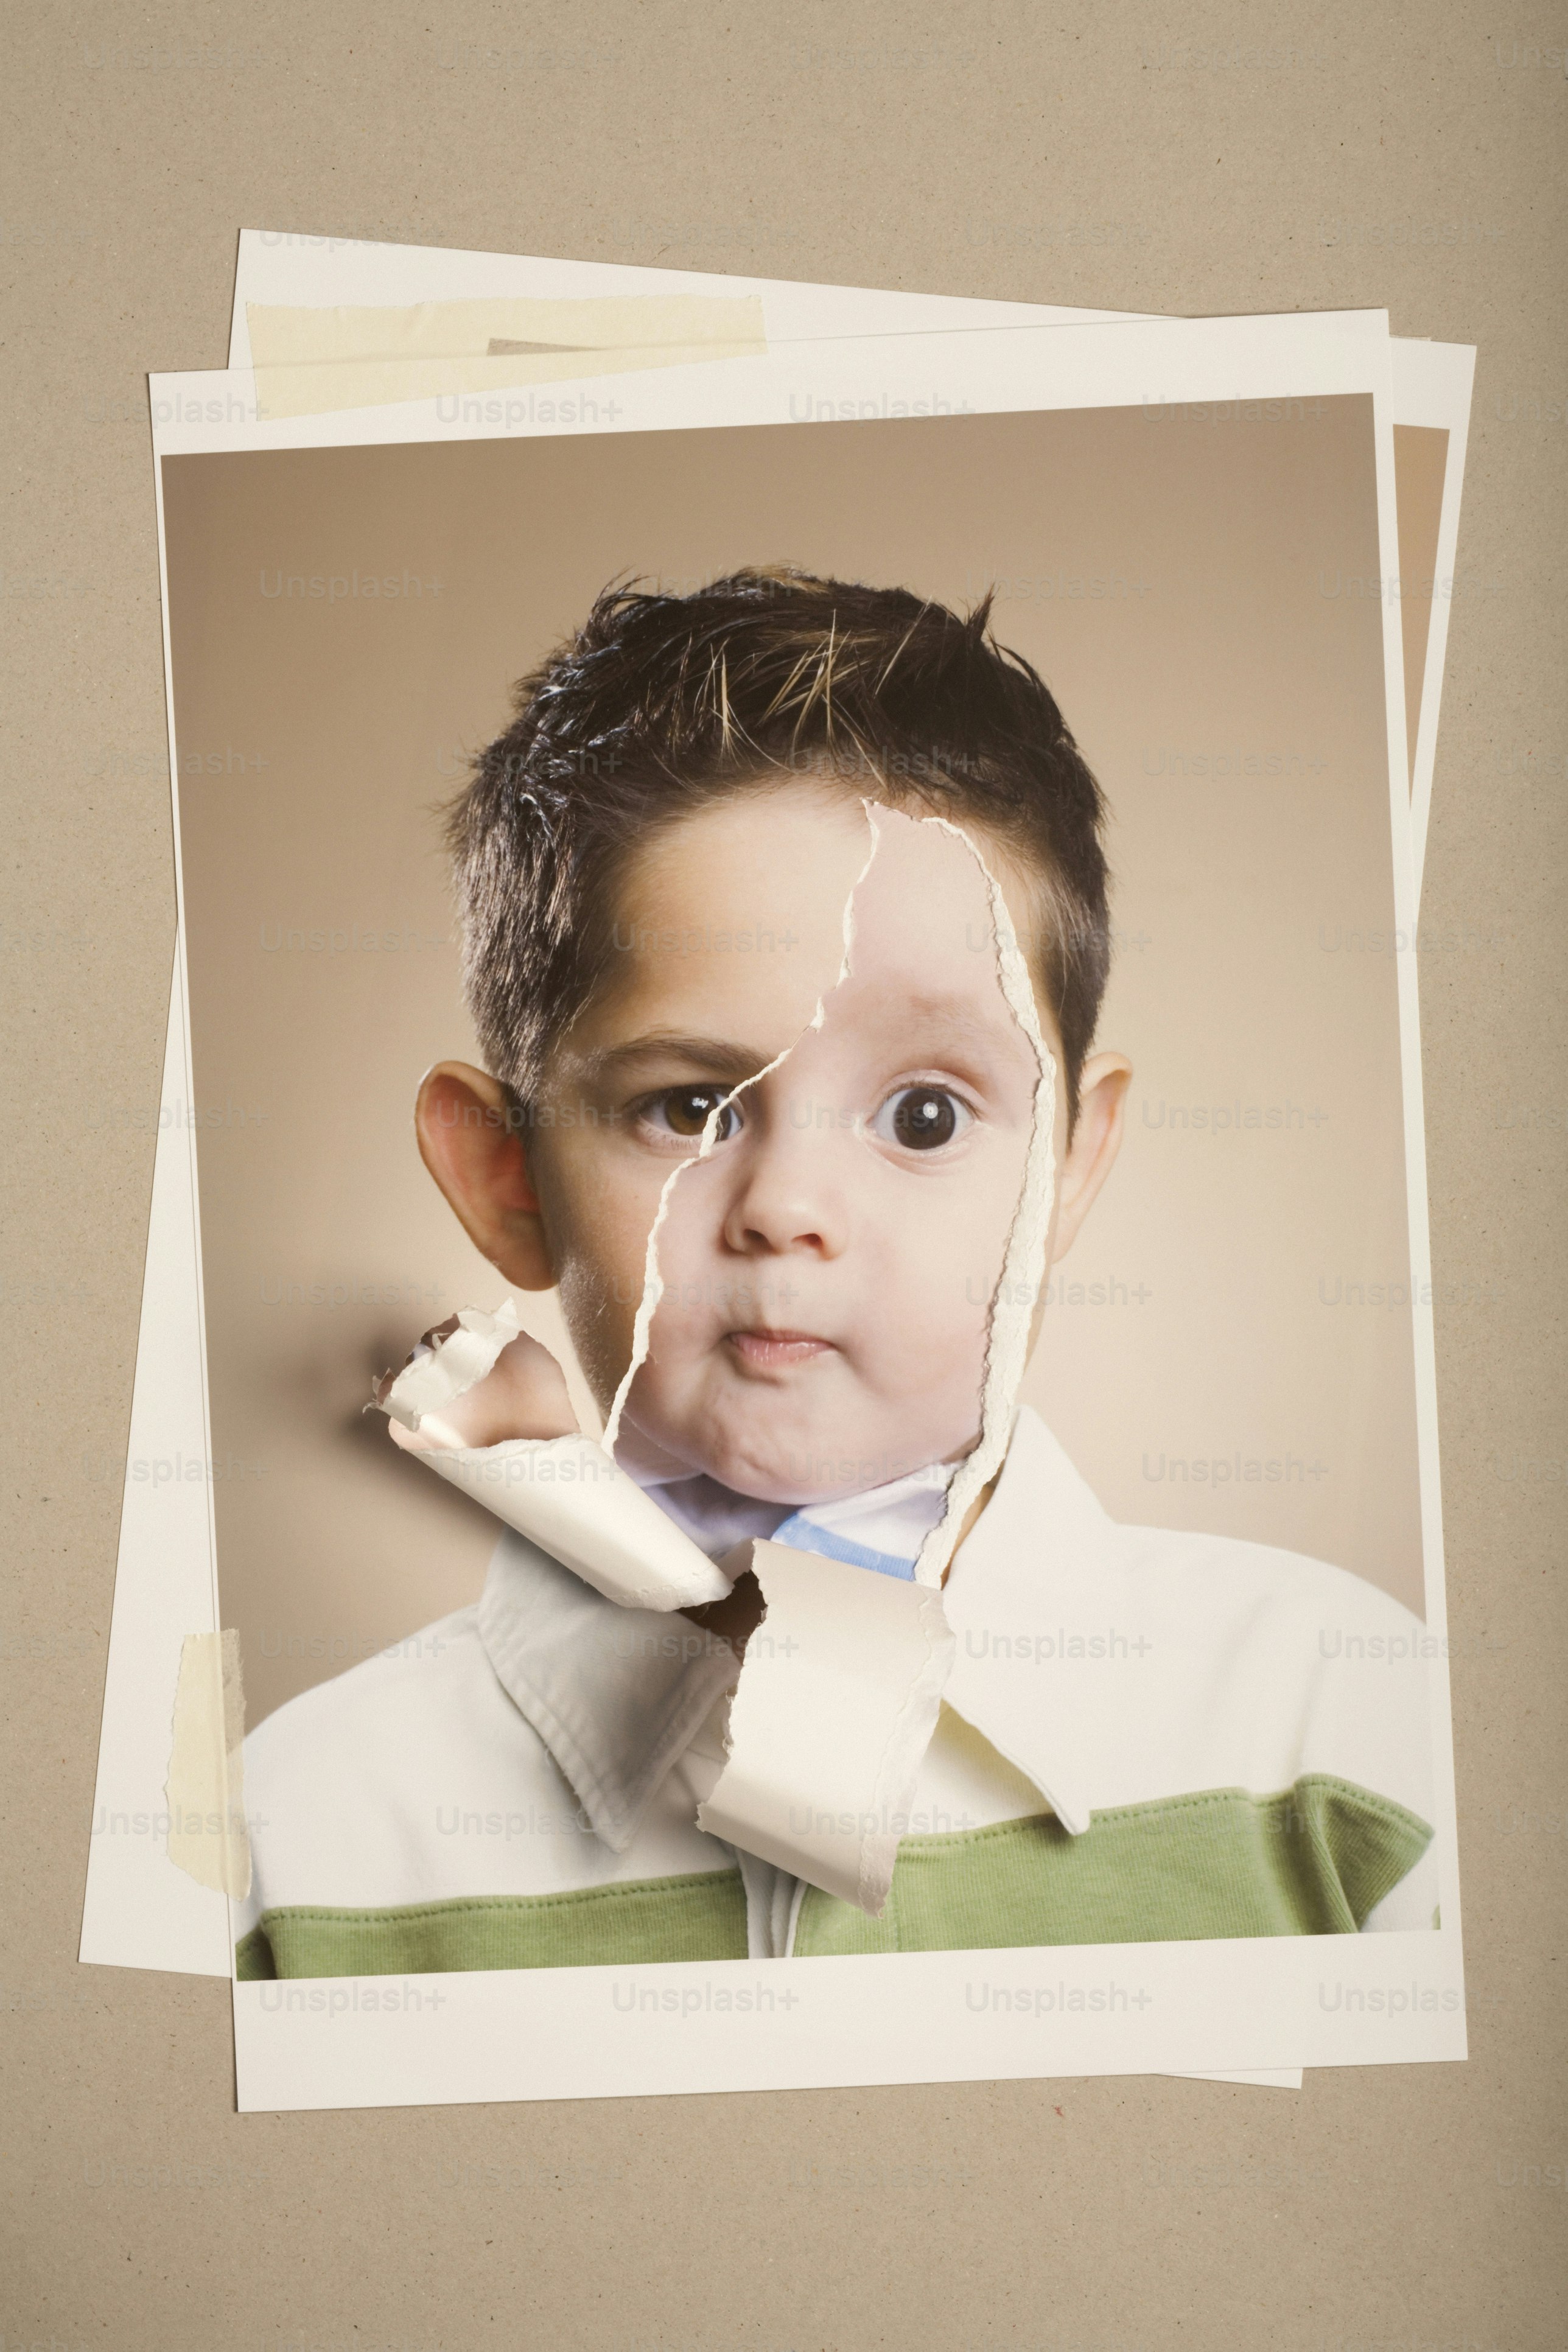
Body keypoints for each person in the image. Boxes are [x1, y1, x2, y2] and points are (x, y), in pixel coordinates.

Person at [236, 569, 1436, 1980]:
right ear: (507, 1177)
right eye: (688, 1109)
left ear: (1065, 1166)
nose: (789, 1209)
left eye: (923, 1116)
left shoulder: (1346, 1733)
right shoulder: (295, 1839)